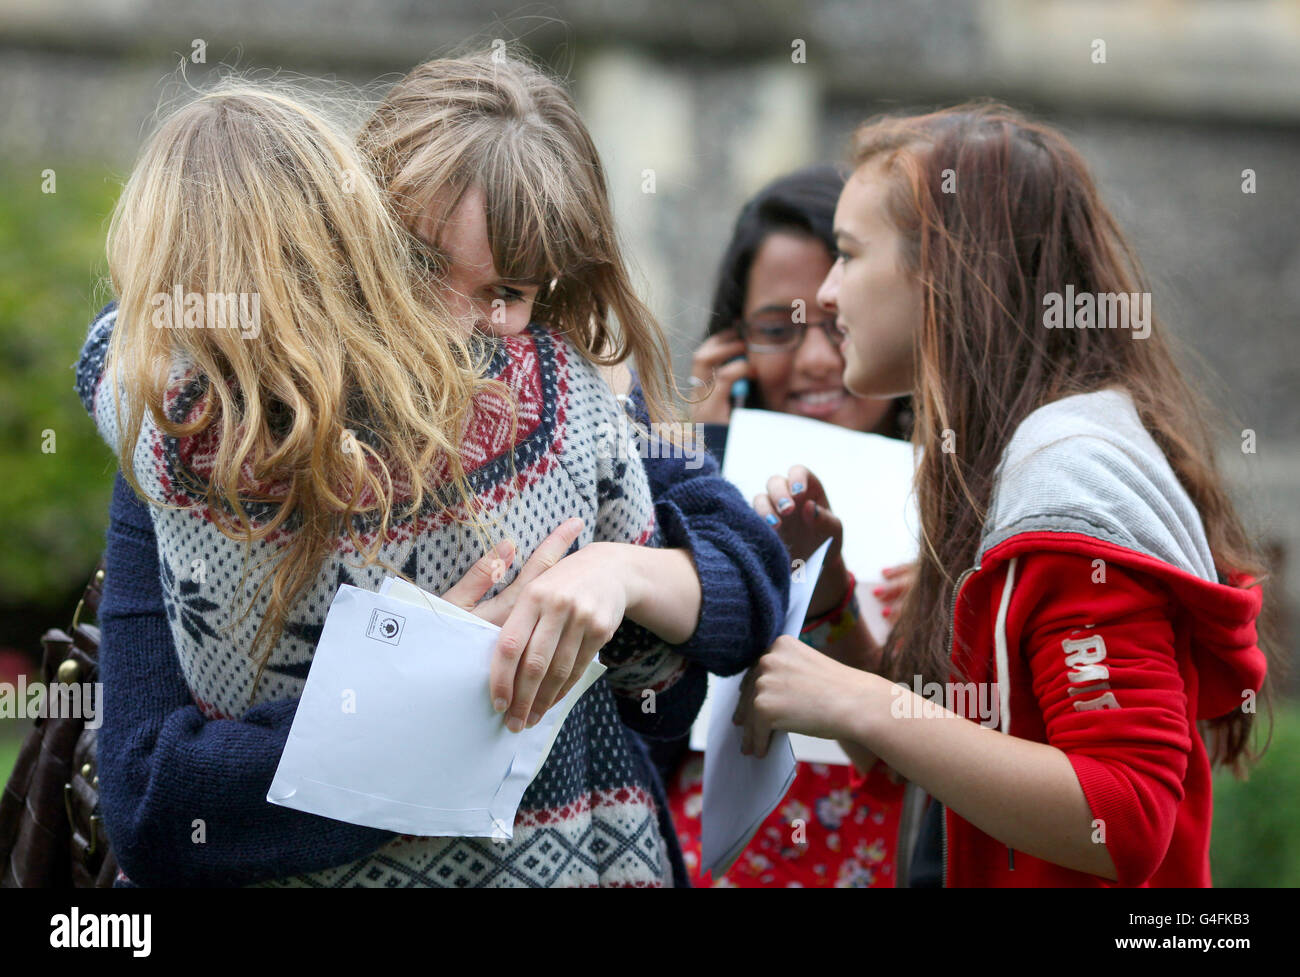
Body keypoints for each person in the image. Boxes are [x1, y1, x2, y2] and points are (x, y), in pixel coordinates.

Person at [86, 55, 789, 888]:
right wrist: (433, 692)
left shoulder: (569, 391)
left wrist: (617, 572)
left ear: (554, 290)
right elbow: (150, 804)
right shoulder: (203, 437)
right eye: (419, 266)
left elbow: (745, 589)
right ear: (348, 225)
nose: (454, 325)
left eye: (504, 292)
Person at [737, 102, 1273, 887]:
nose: (824, 292)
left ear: (945, 271)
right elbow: (929, 760)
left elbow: (1124, 815)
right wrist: (832, 602)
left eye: (848, 254)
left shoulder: (1068, 478)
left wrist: (857, 701)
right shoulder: (992, 458)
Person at [663, 165, 913, 887]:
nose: (815, 361)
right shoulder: (685, 471)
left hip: (886, 851)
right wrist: (698, 462)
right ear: (734, 342)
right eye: (778, 329)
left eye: (839, 325)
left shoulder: (965, 496)